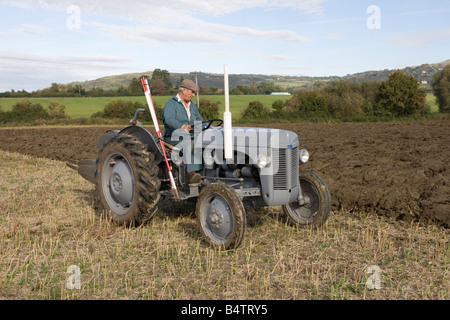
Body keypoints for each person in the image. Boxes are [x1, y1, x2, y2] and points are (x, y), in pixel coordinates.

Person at [162, 79, 204, 184]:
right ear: (184, 90)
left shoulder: (192, 106)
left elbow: (198, 120)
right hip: (173, 136)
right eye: (192, 92)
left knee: (207, 140)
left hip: (190, 135)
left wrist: (207, 127)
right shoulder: (171, 104)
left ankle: (208, 171)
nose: (194, 95)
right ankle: (191, 174)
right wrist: (182, 127)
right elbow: (169, 119)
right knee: (190, 143)